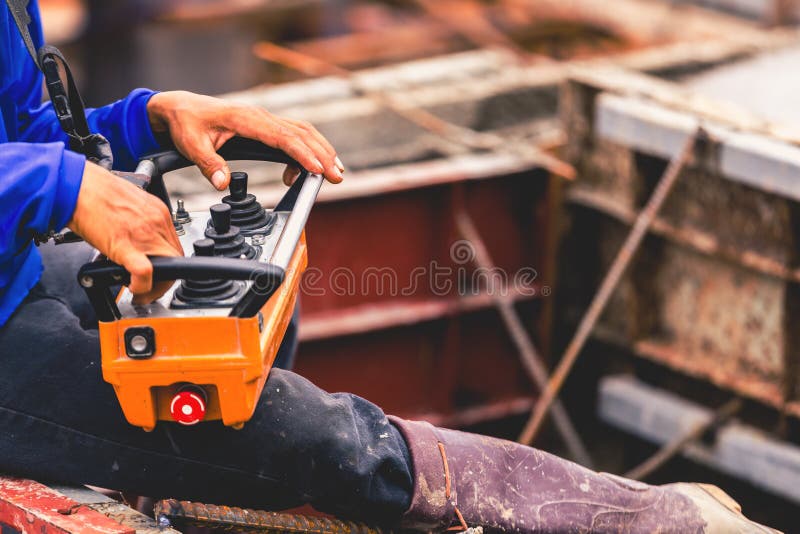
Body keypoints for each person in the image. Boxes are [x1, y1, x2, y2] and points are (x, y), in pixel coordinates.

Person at [0, 2, 776, 532]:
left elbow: (29, 132)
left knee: (237, 308)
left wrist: (144, 117)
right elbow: (40, 173)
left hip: (17, 272)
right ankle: (624, 517)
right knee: (322, 438)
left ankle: (188, 482)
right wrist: (59, 186)